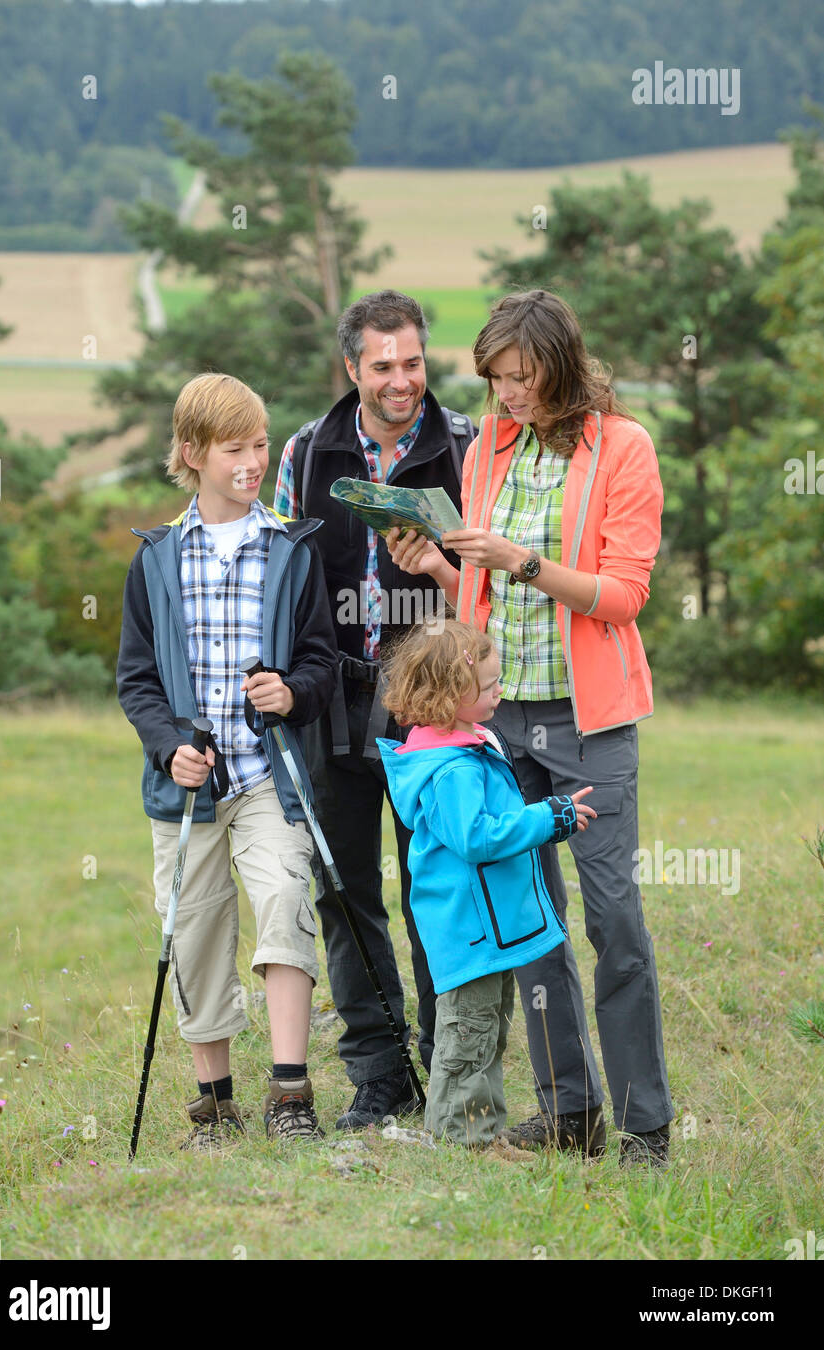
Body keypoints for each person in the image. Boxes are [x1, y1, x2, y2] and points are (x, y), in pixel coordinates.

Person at [387, 288, 675, 1166]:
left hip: (586, 723)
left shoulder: (621, 448)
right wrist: (439, 563)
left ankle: (644, 1128)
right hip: (500, 721)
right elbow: (480, 602)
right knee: (529, 917)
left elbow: (623, 596)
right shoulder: (491, 450)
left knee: (611, 923)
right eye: (496, 379)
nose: (507, 393)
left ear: (560, 363)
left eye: (521, 377)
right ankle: (568, 1112)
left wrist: (526, 562)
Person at [117, 372, 338, 1148]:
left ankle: (290, 1095)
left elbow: (320, 663)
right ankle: (214, 1102)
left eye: (260, 447)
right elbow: (137, 681)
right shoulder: (154, 561)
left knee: (284, 901)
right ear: (192, 453)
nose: (253, 462)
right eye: (235, 449)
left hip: (268, 778)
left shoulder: (291, 551)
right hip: (188, 793)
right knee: (193, 933)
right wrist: (168, 743)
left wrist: (291, 693)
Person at [273, 289, 474, 1130]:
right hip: (331, 698)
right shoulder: (305, 451)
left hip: (430, 699)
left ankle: (451, 1063)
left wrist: (435, 566)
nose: (402, 380)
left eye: (414, 361)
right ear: (350, 367)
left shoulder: (468, 444)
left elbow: (492, 600)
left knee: (439, 884)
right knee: (342, 888)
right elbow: (279, 578)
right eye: (383, 365)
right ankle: (380, 1073)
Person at [377, 620, 595, 1147]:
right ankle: (461, 1144)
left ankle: (483, 1136)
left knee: (488, 1032)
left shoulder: (467, 742)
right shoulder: (450, 768)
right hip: (468, 930)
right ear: (452, 692)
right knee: (466, 1039)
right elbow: (477, 837)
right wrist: (548, 818)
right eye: (492, 683)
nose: (501, 689)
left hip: (488, 929)